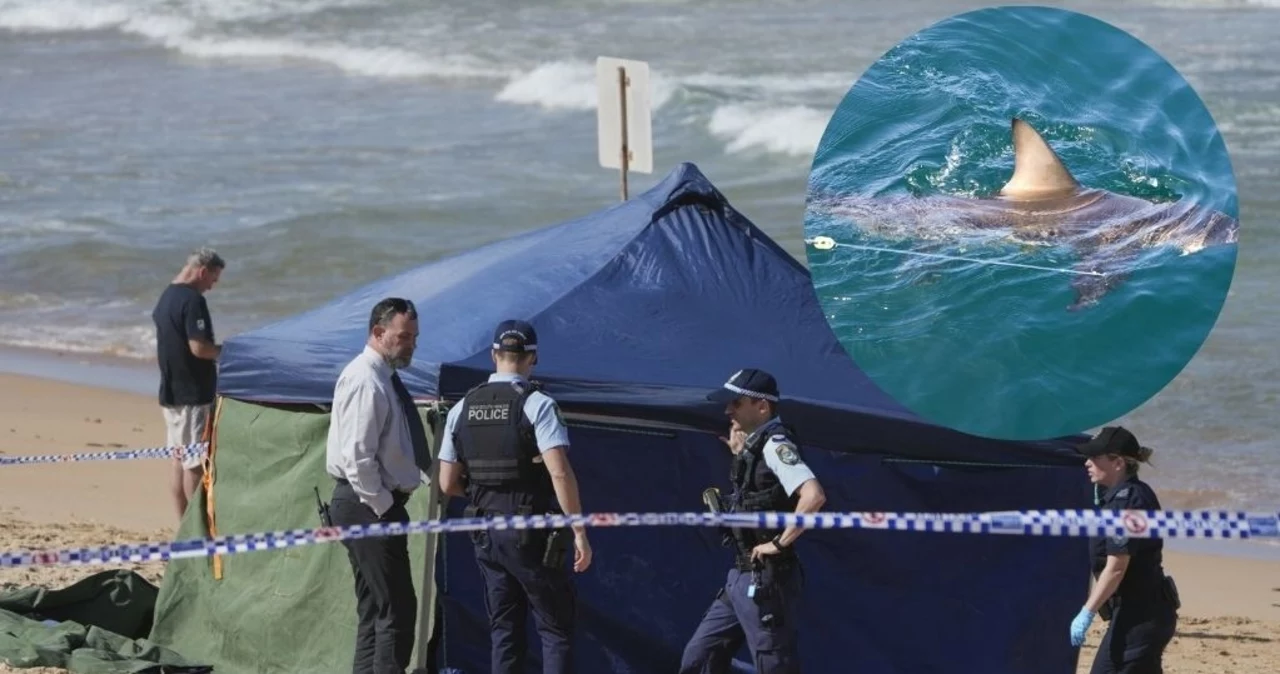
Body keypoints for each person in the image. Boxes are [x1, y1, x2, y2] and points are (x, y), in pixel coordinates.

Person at [437, 319, 592, 674]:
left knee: (504, 630)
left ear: (494, 355)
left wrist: (482, 495)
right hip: (528, 529)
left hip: (483, 529)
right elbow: (559, 472)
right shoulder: (537, 404)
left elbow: (446, 483)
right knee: (554, 628)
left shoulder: (463, 407)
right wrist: (579, 531)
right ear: (532, 359)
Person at [680, 368, 826, 674]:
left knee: (774, 664)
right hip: (740, 575)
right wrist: (738, 456)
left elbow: (813, 496)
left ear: (762, 407)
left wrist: (778, 543)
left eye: (736, 403)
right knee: (700, 656)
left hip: (766, 579)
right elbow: (758, 494)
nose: (727, 410)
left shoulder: (776, 445)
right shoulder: (753, 448)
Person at [325, 297, 430, 674]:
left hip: (369, 504)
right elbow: (357, 456)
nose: (411, 344)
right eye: (404, 336)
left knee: (376, 609)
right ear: (378, 332)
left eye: (415, 337)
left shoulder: (382, 378)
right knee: (396, 610)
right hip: (367, 505)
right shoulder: (366, 380)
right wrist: (384, 507)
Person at [1070, 425, 1179, 674]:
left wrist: (1087, 612)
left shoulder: (1129, 500)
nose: (1087, 463)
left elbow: (1117, 568)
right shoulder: (1120, 496)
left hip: (1141, 617)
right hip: (1140, 613)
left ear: (1117, 463)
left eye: (1095, 457)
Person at [151, 247, 225, 522]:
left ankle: (183, 524)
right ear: (203, 271)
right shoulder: (192, 301)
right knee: (193, 464)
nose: (211, 287)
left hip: (170, 392)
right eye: (212, 280)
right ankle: (195, 525)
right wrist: (228, 352)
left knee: (178, 461)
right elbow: (199, 348)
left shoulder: (166, 297)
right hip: (193, 394)